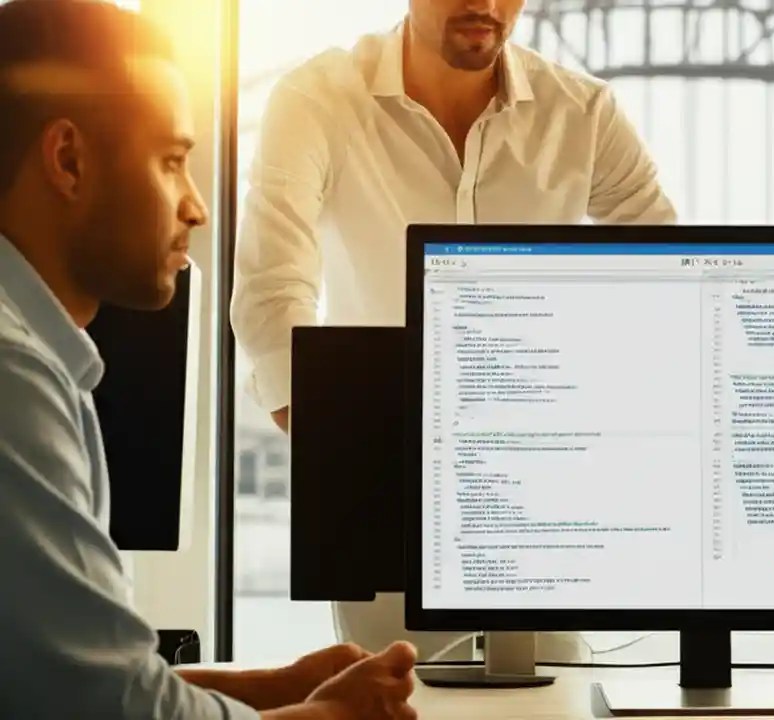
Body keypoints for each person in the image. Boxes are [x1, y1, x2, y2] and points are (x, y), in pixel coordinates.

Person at [0, 2, 417, 718]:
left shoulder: (38, 362)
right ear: (68, 160)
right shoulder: (15, 380)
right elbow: (111, 707)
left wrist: (275, 689)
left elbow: (65, 681)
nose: (196, 206)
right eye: (171, 161)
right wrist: (333, 718)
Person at [230, 0, 672, 660]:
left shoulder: (582, 113)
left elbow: (667, 280)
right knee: (395, 695)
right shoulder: (318, 98)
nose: (486, 6)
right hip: (381, 485)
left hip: (540, 497)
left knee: (557, 690)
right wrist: (347, 455)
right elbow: (272, 295)